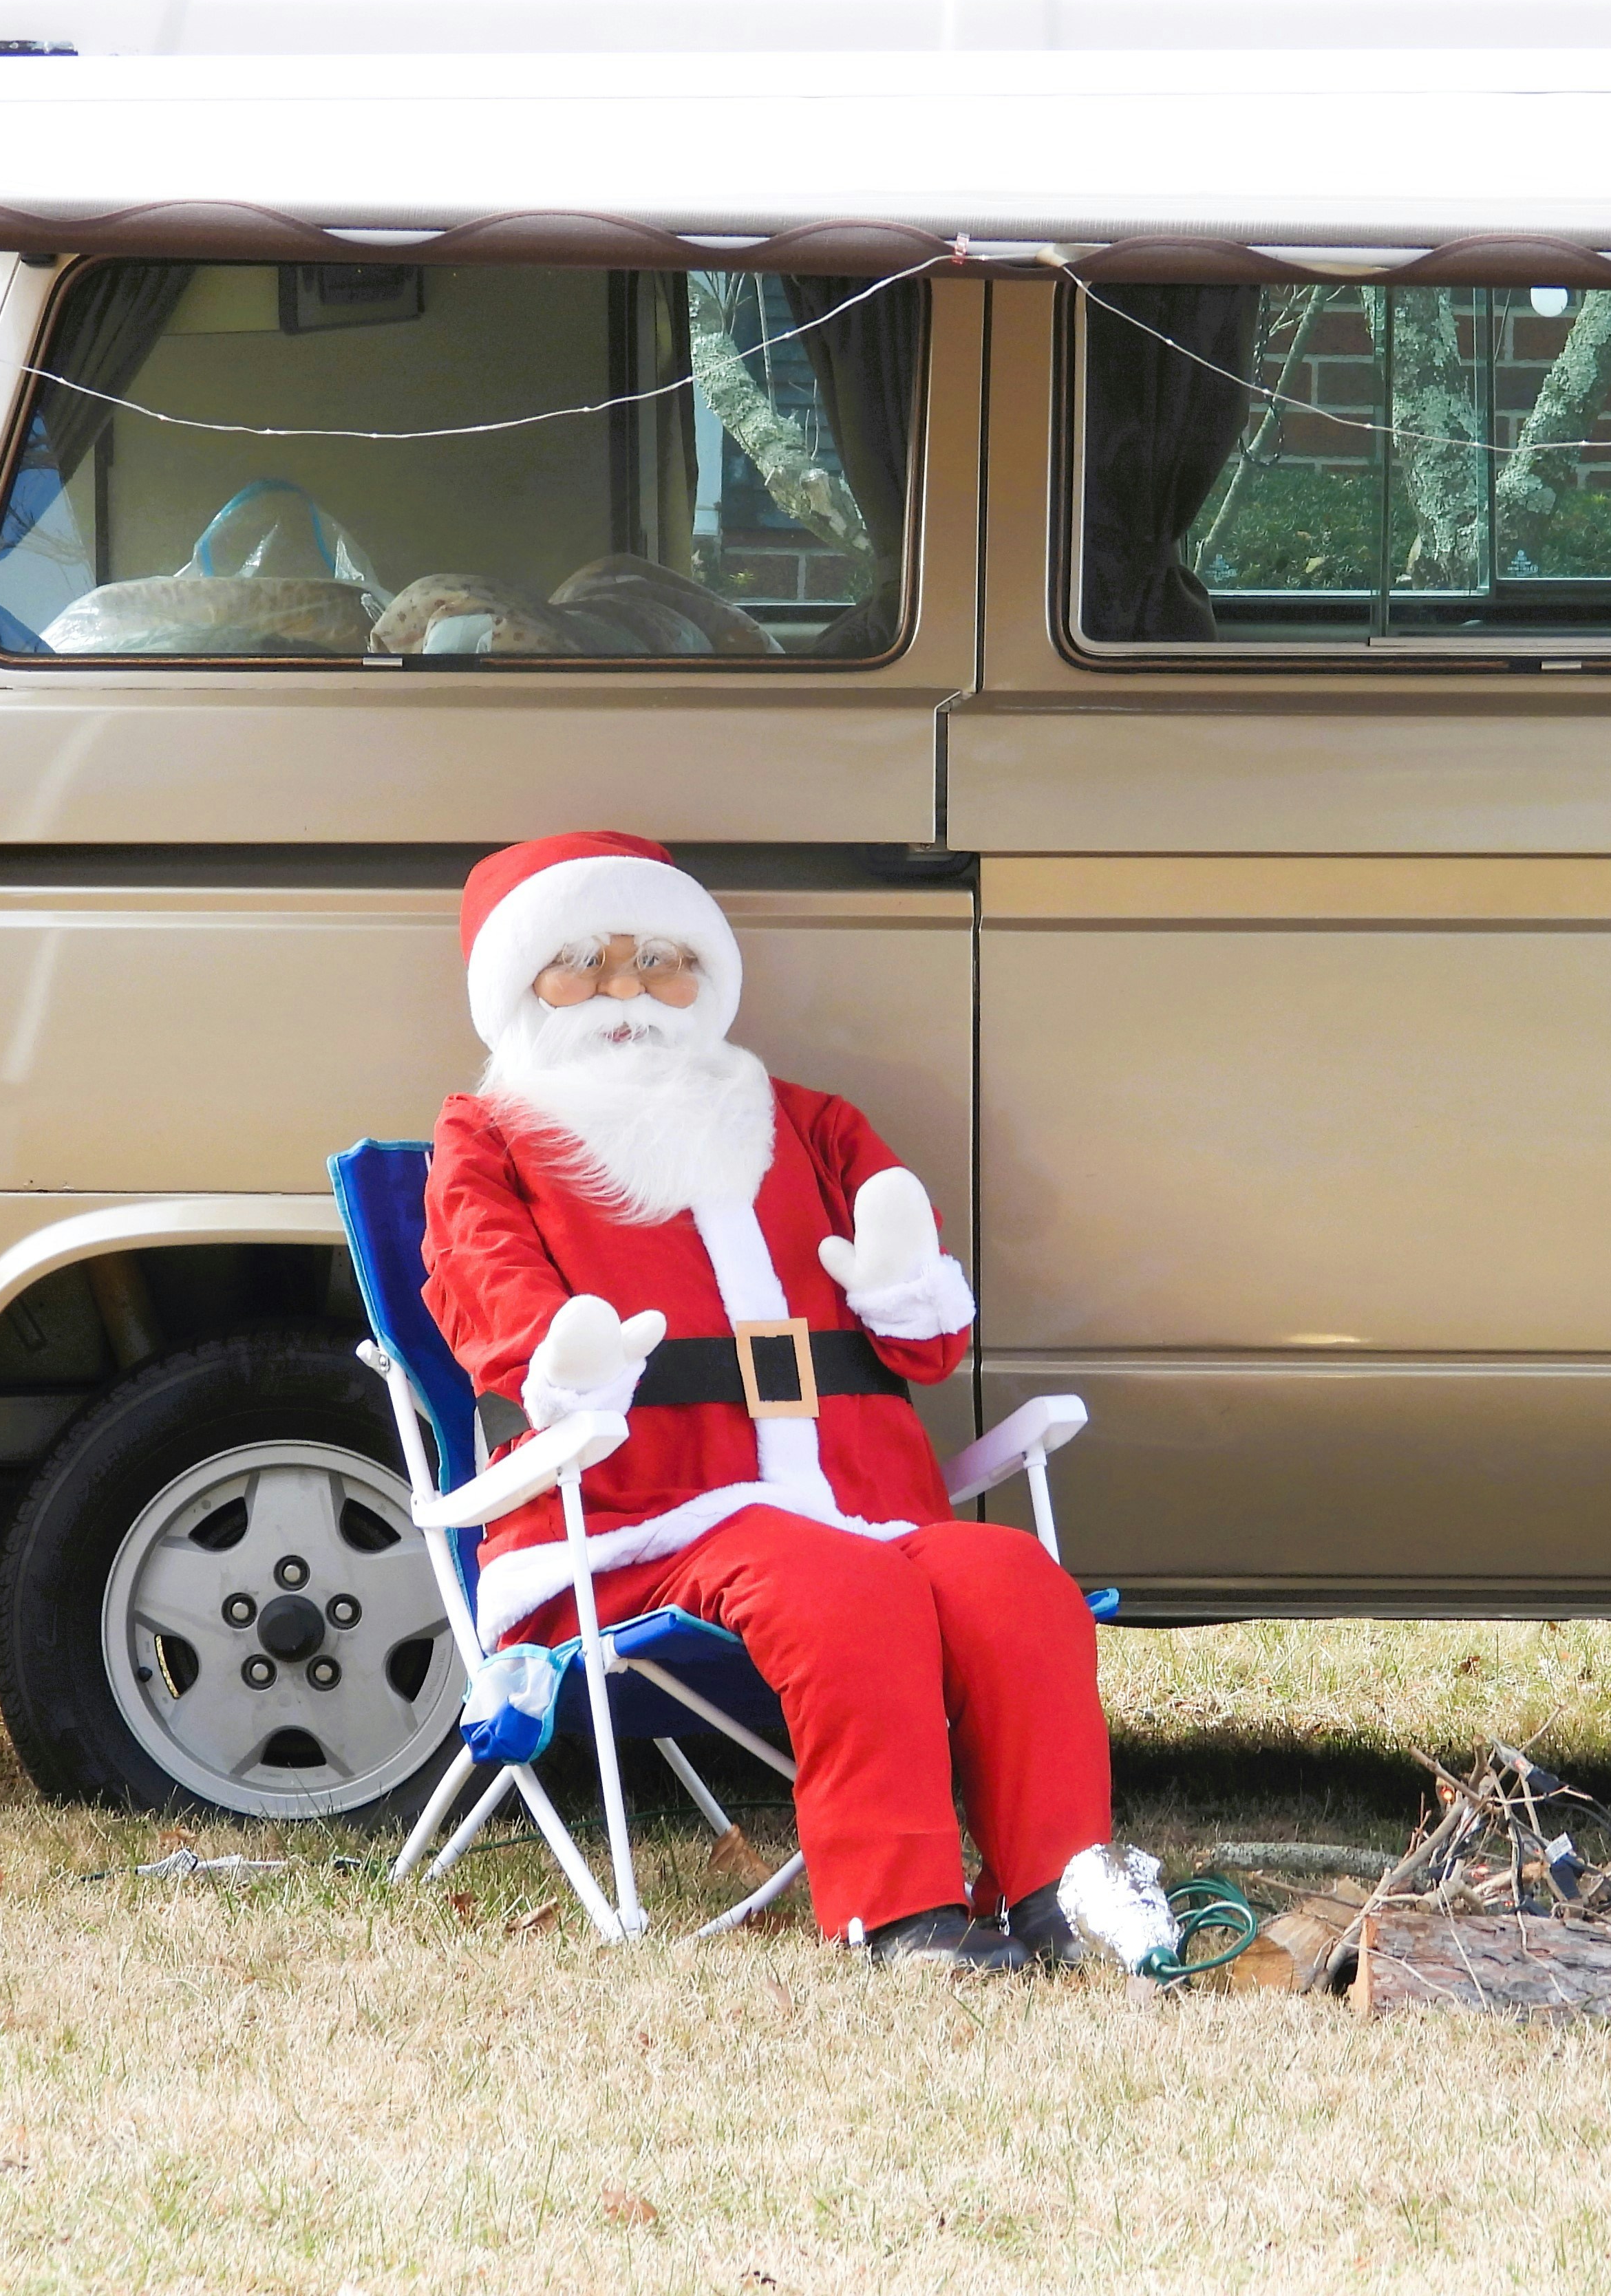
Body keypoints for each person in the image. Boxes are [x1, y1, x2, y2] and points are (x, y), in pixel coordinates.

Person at [420, 830, 1118, 1971]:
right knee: (839, 1592)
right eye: (584, 964)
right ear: (522, 989)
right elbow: (485, 1290)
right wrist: (566, 1349)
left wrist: (899, 1275)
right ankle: (901, 1917)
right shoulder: (491, 1132)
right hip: (639, 1517)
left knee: (1014, 1583)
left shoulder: (809, 1121)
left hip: (860, 1500)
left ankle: (1065, 1895)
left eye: (660, 961)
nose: (629, 994)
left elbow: (933, 1347)